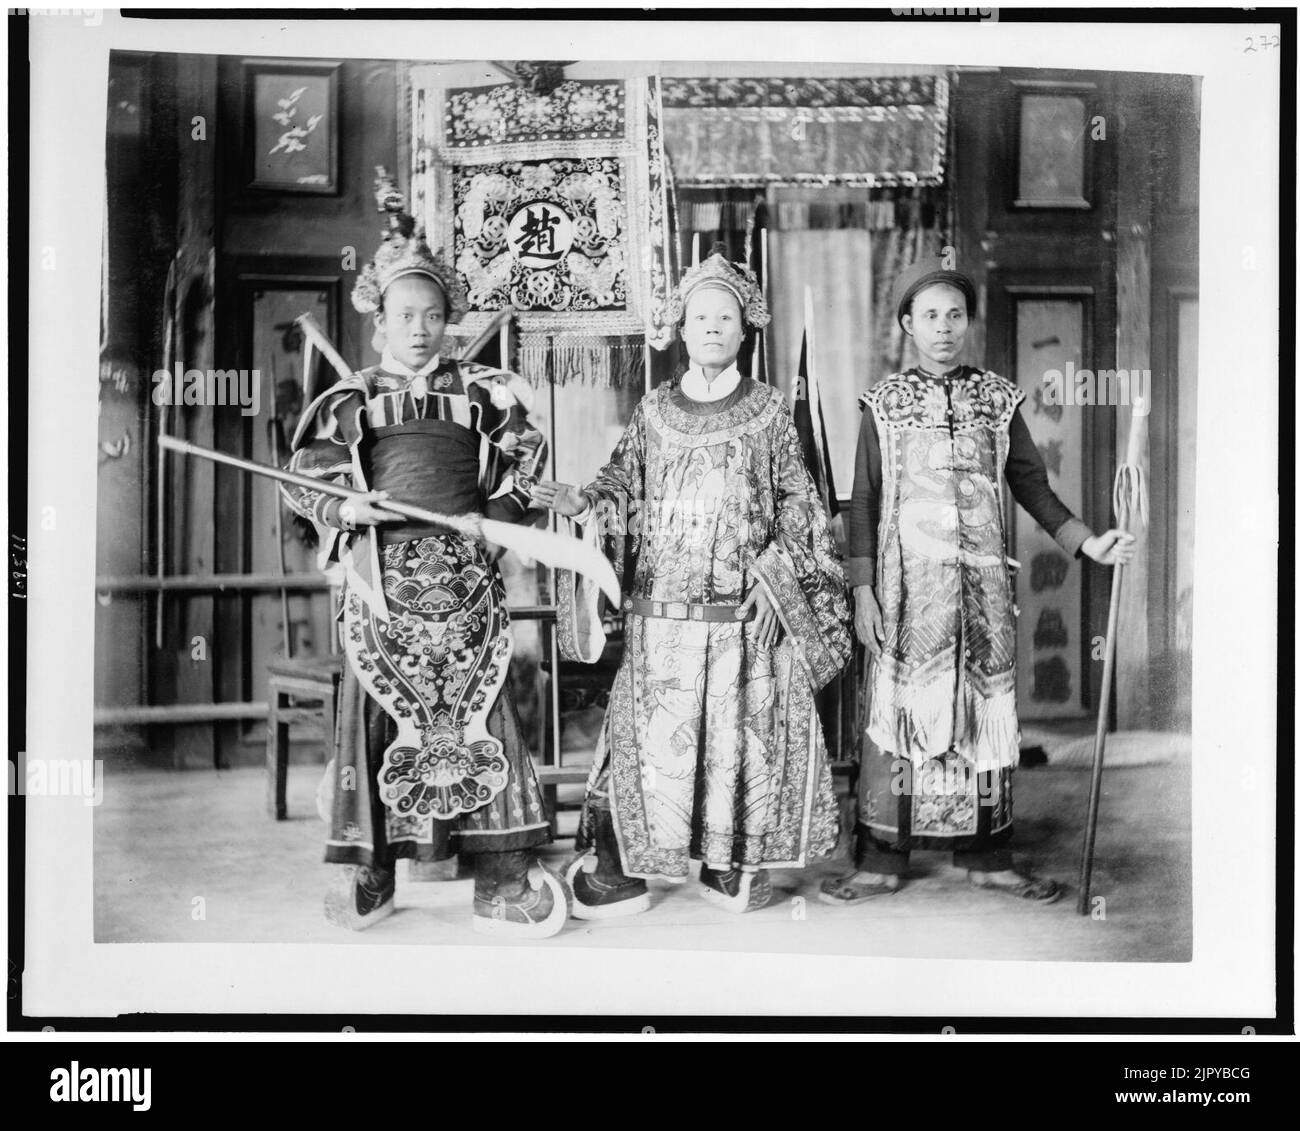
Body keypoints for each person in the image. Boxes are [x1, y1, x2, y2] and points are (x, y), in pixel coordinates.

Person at [531, 249, 852, 916]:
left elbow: (802, 507)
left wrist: (778, 580)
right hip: (662, 618)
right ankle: (620, 866)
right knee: (645, 745)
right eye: (700, 315)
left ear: (745, 330)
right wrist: (585, 504)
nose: (712, 326)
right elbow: (619, 488)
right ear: (681, 327)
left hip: (740, 617)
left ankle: (729, 865)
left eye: (725, 316)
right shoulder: (653, 412)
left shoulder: (768, 412)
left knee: (735, 744)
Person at [282, 213, 571, 938]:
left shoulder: (485, 394)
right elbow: (303, 476)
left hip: (468, 579)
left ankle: (501, 878)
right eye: (405, 315)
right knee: (378, 712)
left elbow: (528, 472)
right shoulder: (350, 397)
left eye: (433, 315)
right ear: (380, 321)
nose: (419, 328)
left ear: (449, 321)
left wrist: (494, 514)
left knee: (482, 713)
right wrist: (342, 504)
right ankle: (373, 868)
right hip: (381, 583)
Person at [820, 257, 1135, 906]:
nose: (943, 327)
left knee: (986, 719)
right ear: (907, 324)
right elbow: (863, 500)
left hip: (983, 598)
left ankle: (990, 856)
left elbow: (1030, 484)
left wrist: (1086, 539)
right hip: (907, 598)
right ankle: (881, 856)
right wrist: (862, 591)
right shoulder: (883, 406)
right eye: (930, 316)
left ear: (967, 323)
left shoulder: (997, 399)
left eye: (954, 315)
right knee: (900, 716)